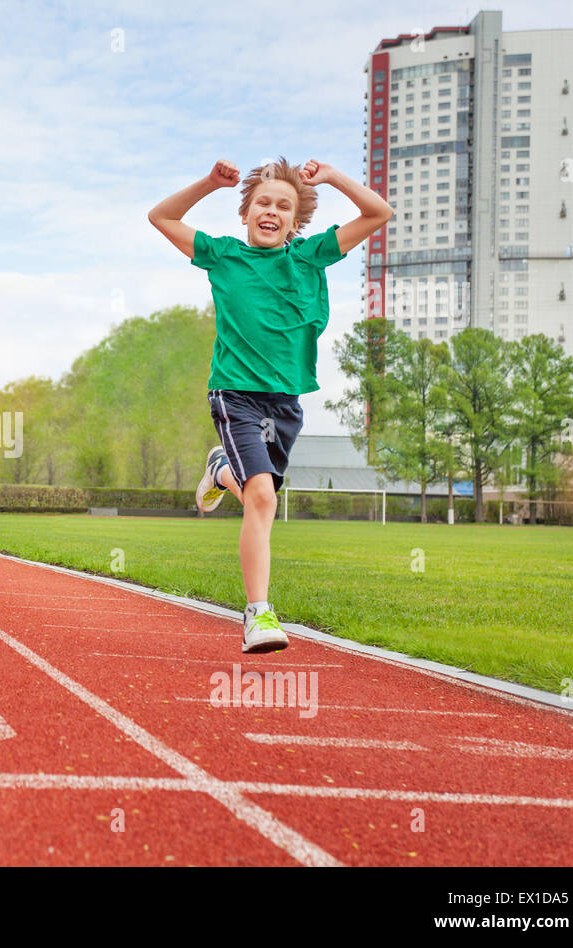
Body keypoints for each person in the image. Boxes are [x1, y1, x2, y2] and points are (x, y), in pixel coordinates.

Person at [149, 157, 392, 652]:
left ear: (295, 220)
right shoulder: (223, 256)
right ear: (246, 211)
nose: (272, 211)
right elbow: (162, 218)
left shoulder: (310, 256)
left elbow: (378, 214)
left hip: (285, 403)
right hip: (234, 393)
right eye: (263, 202)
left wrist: (331, 179)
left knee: (260, 497)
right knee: (263, 497)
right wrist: (209, 184)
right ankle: (258, 614)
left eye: (284, 206)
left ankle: (220, 473)